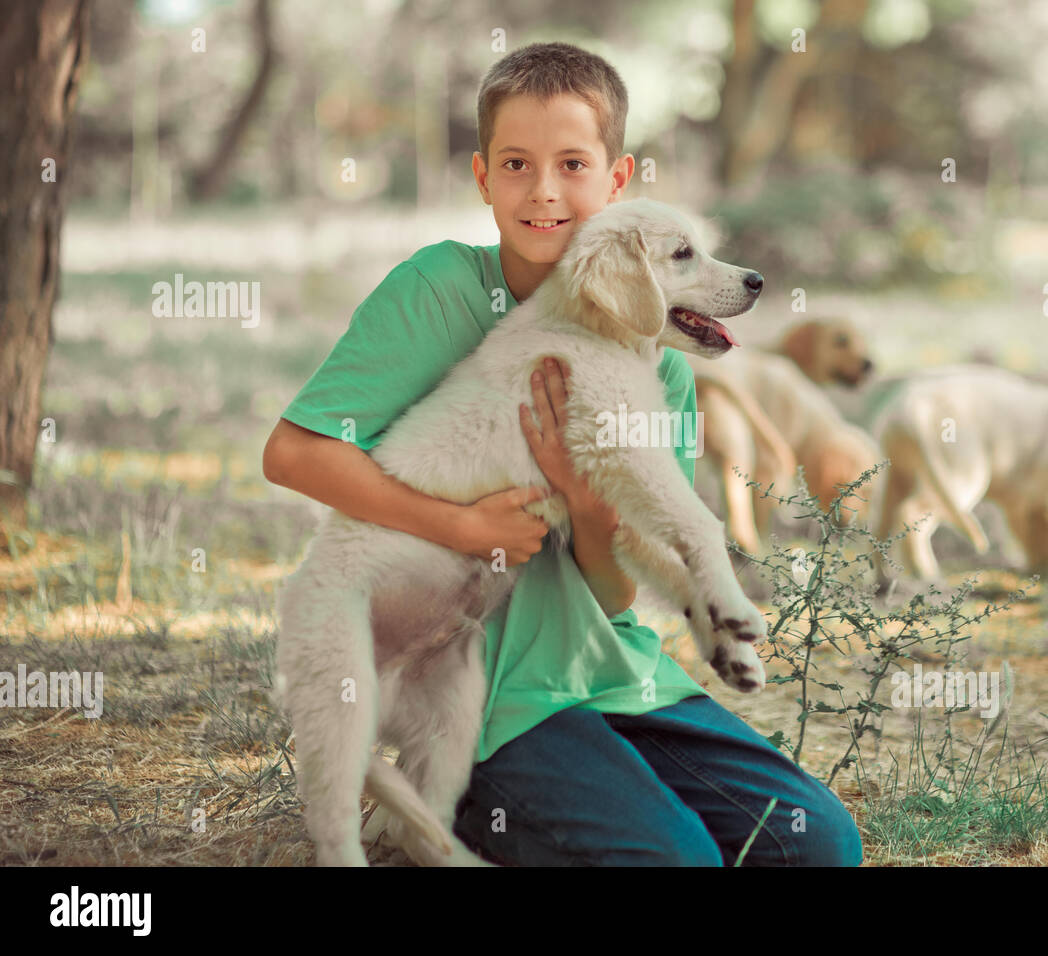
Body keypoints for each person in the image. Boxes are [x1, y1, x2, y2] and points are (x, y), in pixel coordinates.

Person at [262, 40, 862, 866]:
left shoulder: (663, 358)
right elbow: (294, 455)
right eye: (516, 164)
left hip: (610, 671)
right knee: (672, 860)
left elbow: (614, 594)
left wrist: (585, 496)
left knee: (818, 846)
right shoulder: (440, 290)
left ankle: (467, 814)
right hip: (502, 694)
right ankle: (466, 812)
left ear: (616, 184)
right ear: (482, 179)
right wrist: (460, 525)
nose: (544, 190)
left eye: (573, 163)